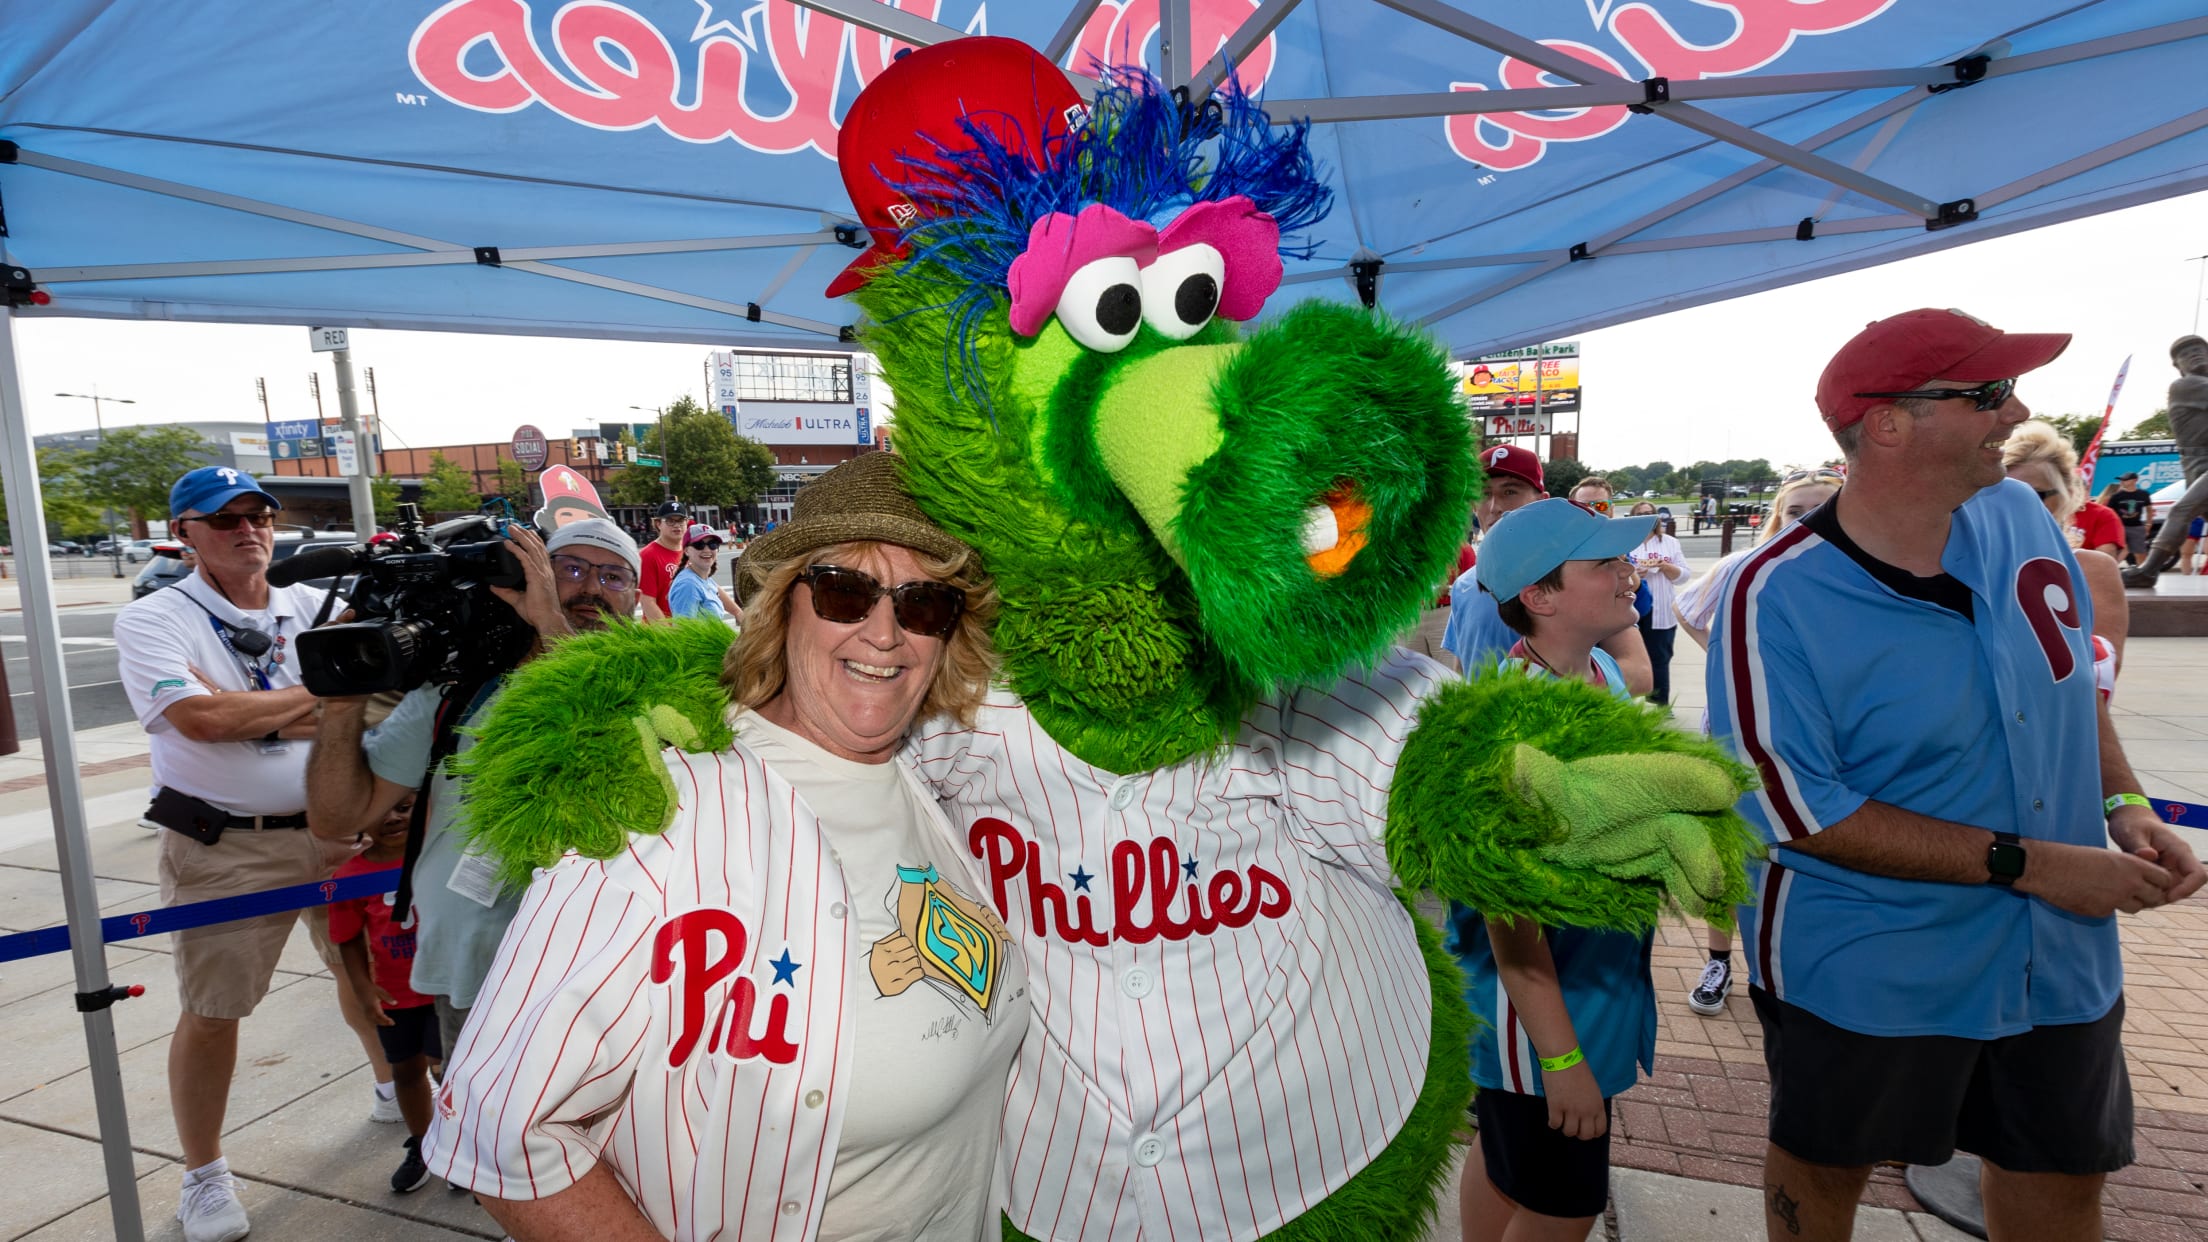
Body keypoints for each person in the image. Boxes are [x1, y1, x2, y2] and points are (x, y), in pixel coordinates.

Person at [424, 453, 1024, 1241]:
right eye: (845, 592)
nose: (885, 632)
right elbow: (499, 1131)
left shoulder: (915, 781)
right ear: (782, 608)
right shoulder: (658, 814)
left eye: (925, 606)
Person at [1710, 307, 2204, 1242]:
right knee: (1825, 1174)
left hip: (2058, 959)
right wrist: (2045, 867)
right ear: (1889, 423)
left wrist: (2126, 804)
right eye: (1984, 395)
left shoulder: (2020, 517)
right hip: (1870, 964)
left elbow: (2071, 690)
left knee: (2062, 1183)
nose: (2015, 409)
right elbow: (1801, 814)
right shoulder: (1773, 594)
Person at [307, 518, 644, 1093]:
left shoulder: (654, 682)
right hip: (474, 972)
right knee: (488, 1152)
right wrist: (340, 708)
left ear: (637, 596)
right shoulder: (462, 688)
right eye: (570, 569)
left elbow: (605, 749)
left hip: (609, 978)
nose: (592, 588)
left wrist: (549, 622)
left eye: (613, 575)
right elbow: (338, 818)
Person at [113, 467, 343, 1242]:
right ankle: (203, 1176)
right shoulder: (156, 618)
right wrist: (317, 704)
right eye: (224, 519)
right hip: (228, 846)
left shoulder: (313, 605)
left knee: (373, 977)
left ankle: (396, 1091)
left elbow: (378, 701)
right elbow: (200, 720)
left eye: (259, 515)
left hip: (338, 828)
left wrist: (258, 715)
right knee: (215, 1012)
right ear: (183, 533)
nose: (248, 530)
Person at [1454, 497, 1660, 1242]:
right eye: (1602, 563)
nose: (1626, 570)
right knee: (1565, 1205)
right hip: (1541, 1017)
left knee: (1509, 1157)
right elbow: (1512, 926)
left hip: (1586, 990)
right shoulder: (1516, 731)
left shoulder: (1596, 668)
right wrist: (1562, 1059)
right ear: (1539, 597)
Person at [1672, 466, 1843, 1017]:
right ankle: (1719, 960)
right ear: (1777, 516)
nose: (1809, 518)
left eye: (1822, 506)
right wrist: (1728, 653)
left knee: (1809, 842)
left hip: (1822, 742)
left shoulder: (1854, 573)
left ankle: (1798, 963)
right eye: (1797, 510)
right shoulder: (1746, 567)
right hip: (1738, 736)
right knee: (1728, 849)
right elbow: (1686, 606)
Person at [1443, 446, 1654, 694]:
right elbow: (1462, 666)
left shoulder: (1586, 579)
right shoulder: (1464, 585)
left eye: (1510, 491)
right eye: (1484, 494)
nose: (1494, 507)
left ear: (1541, 501)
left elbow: (1639, 673)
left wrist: (1556, 704)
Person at [325, 793, 441, 1194]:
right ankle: (425, 1145)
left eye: (403, 807)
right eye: (377, 811)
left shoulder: (439, 854)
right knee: (407, 1071)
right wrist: (363, 989)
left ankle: (467, 1148)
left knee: (450, 1069)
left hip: (445, 986)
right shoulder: (350, 875)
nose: (391, 818)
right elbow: (348, 939)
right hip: (396, 995)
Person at [2003, 420, 2127, 690]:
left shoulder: (2090, 568)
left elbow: (2100, 677)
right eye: (1997, 495)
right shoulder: (1961, 565)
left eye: (2032, 495)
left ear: (2068, 494)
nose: (2014, 506)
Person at [2121, 335, 2208, 586]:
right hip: (2196, 466)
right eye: (2186, 352)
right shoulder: (2186, 385)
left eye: (2199, 349)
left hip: (2201, 466)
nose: (2194, 354)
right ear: (2177, 366)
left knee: (2181, 510)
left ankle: (2149, 570)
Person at [1625, 500, 1688, 707]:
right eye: (1641, 513)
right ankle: (1630, 705)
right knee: (1629, 658)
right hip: (1631, 608)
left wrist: (1666, 567)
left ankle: (1659, 704)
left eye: (1650, 514)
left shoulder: (1669, 543)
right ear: (1634, 517)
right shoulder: (1626, 541)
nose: (1647, 517)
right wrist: (1634, 573)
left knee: (1659, 658)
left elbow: (1683, 576)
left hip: (1660, 608)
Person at [666, 521, 740, 627]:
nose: (707, 549)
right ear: (686, 551)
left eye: (712, 545)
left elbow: (716, 591)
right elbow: (683, 632)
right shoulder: (688, 584)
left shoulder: (703, 578)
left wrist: (738, 613)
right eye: (699, 545)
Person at [636, 499, 688, 620]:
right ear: (658, 523)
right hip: (661, 633)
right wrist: (669, 636)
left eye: (681, 520)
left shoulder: (690, 550)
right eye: (670, 521)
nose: (676, 525)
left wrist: (736, 612)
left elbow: (708, 585)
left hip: (688, 630)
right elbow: (648, 603)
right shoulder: (648, 555)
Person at [2105, 472, 2151, 565]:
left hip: (2136, 527)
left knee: (2140, 554)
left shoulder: (2143, 494)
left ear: (2135, 480)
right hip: (2120, 527)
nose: (2122, 482)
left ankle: (2141, 574)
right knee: (2119, 551)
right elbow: (2109, 513)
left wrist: (2148, 524)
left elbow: (2149, 510)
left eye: (2125, 480)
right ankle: (2111, 569)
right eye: (2121, 480)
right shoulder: (2116, 496)